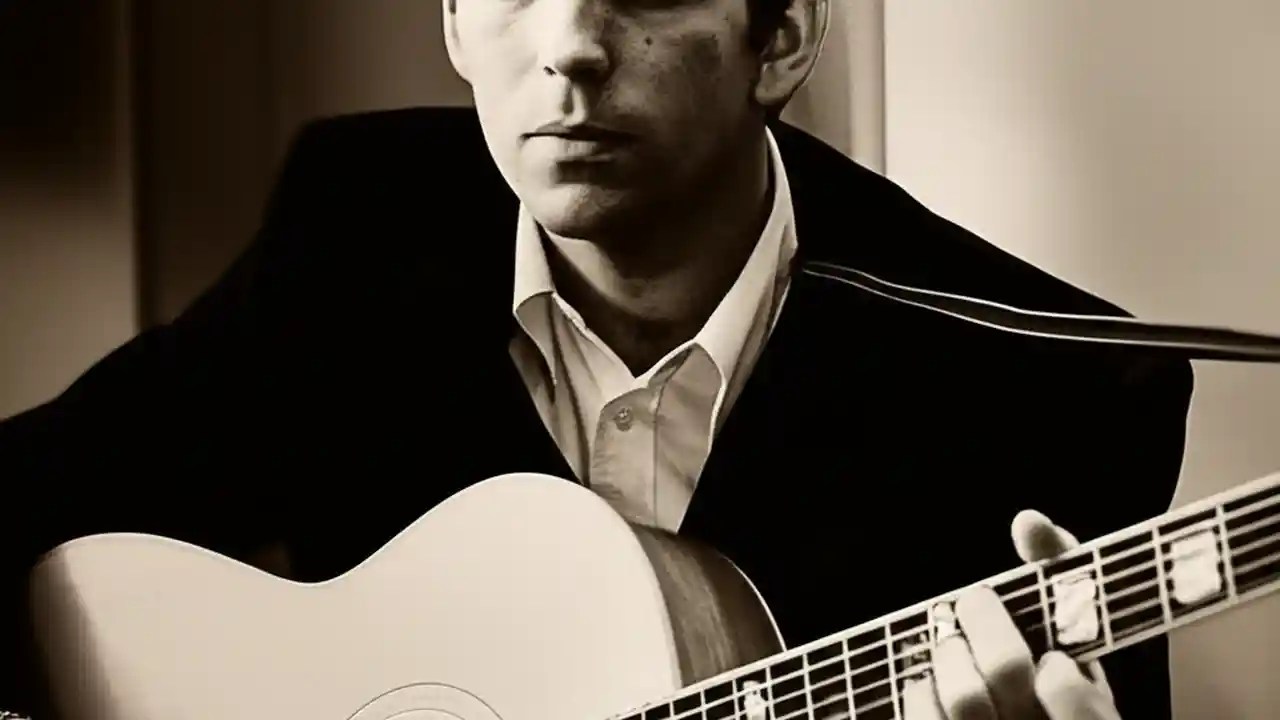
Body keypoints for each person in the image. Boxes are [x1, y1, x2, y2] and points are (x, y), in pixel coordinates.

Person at [0, 0, 1194, 717]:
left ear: (778, 39)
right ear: (456, 24)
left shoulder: (1053, 388)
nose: (567, 43)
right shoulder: (359, 227)